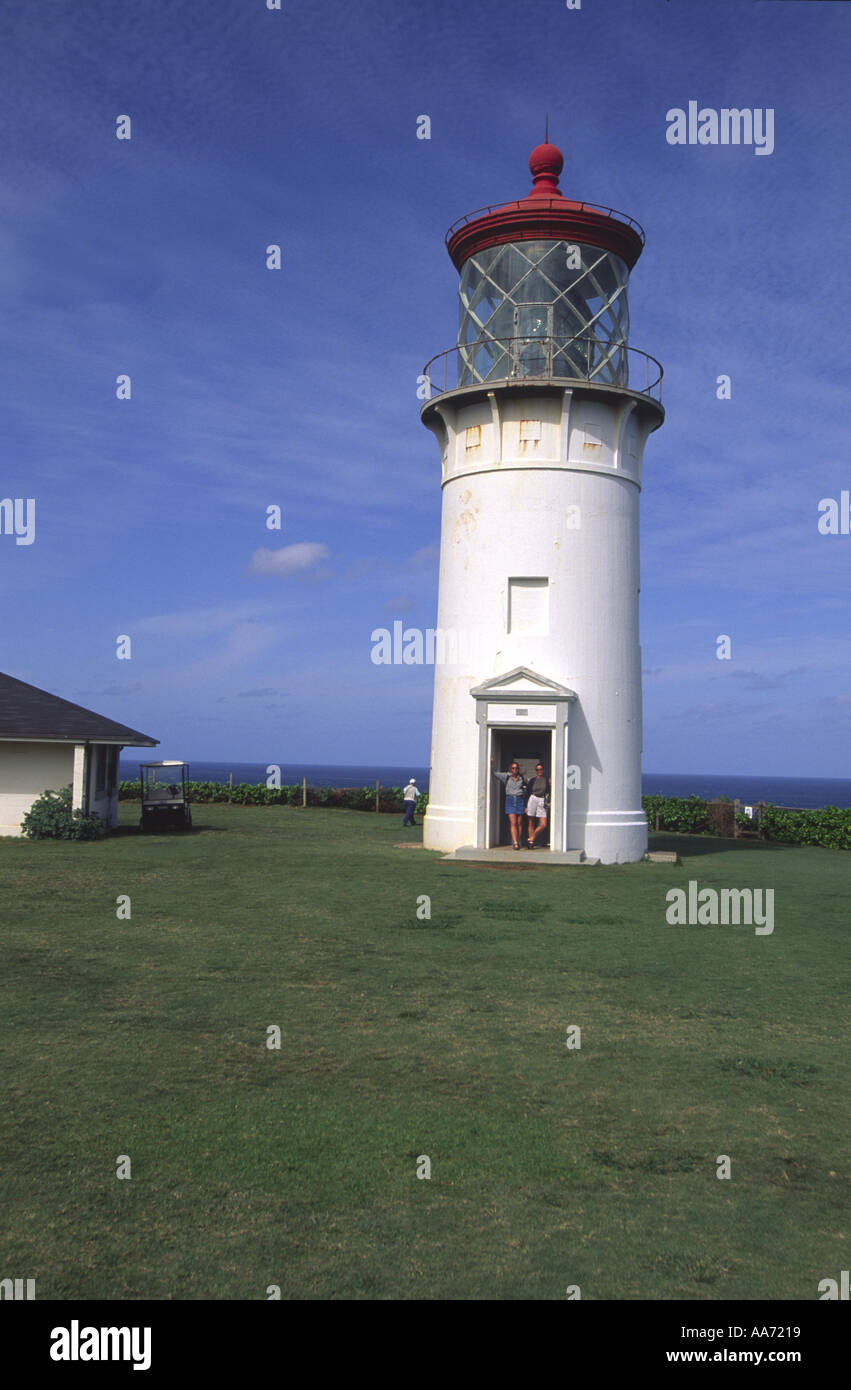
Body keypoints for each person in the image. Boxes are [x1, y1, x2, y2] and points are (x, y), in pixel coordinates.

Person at [491, 757, 527, 850]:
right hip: (510, 800)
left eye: (517, 768)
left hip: (520, 800)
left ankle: (518, 841)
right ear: (510, 769)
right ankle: (515, 842)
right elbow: (494, 773)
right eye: (513, 768)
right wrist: (491, 764)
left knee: (519, 823)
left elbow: (528, 786)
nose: (515, 770)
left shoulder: (522, 778)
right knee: (513, 822)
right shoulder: (506, 776)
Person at [525, 762, 550, 848]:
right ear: (536, 771)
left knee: (543, 824)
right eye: (538, 769)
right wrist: (526, 806)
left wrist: (549, 801)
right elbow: (527, 792)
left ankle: (531, 838)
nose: (539, 771)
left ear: (543, 770)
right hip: (533, 799)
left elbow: (548, 792)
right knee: (531, 822)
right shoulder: (532, 780)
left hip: (542, 800)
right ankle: (531, 844)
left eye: (541, 769)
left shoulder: (546, 780)